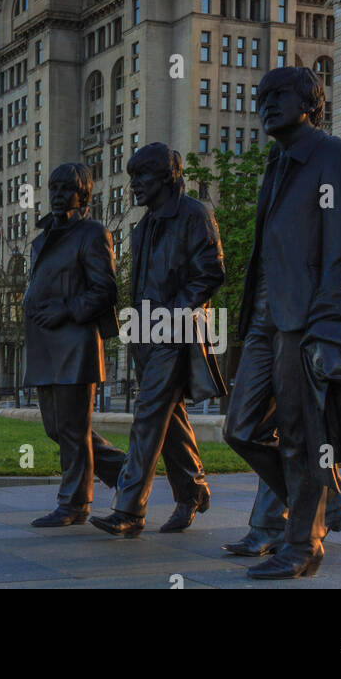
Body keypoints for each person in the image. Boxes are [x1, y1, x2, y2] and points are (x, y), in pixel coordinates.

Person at [222, 66, 341, 579]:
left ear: (312, 102)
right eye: (260, 97)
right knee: (239, 429)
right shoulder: (278, 163)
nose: (266, 104)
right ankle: (320, 500)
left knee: (301, 433)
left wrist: (330, 320)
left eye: (279, 95)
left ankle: (302, 543)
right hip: (264, 319)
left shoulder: (337, 157)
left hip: (306, 317)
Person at [90, 143, 224, 537]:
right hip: (145, 332)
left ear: (168, 177)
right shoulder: (145, 225)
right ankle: (194, 489)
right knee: (171, 418)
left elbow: (211, 273)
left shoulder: (195, 215)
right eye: (132, 178)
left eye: (141, 178)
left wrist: (173, 313)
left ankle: (129, 509)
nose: (134, 186)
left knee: (148, 417)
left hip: (177, 332)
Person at [23, 162, 126, 527]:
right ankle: (127, 472)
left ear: (84, 195)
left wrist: (66, 311)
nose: (57, 195)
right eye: (53, 187)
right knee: (57, 428)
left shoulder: (92, 233)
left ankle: (74, 503)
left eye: (66, 188)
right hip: (45, 347)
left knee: (71, 428)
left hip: (75, 345)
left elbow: (105, 290)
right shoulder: (43, 239)